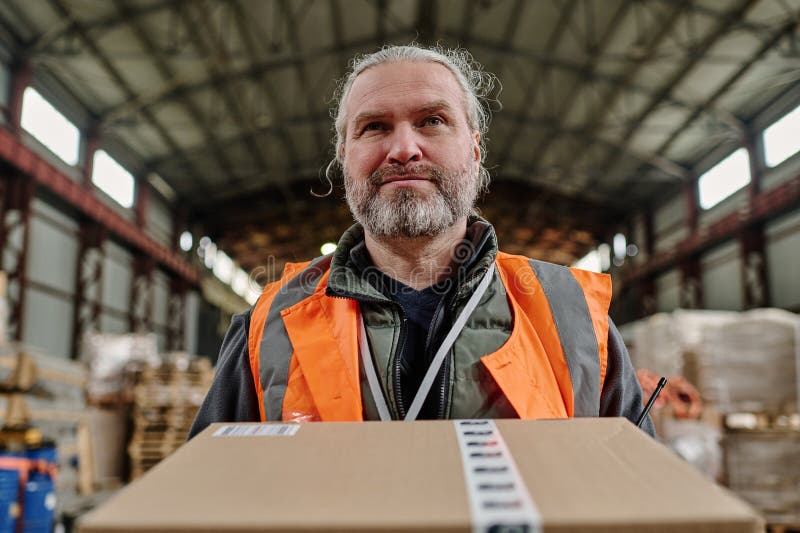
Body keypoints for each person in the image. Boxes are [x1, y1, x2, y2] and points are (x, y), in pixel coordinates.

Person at [189, 44, 654, 437]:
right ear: (344, 156)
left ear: (474, 150)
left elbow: (636, 490)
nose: (403, 149)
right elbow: (208, 493)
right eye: (374, 127)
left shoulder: (571, 317)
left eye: (432, 121)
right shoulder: (270, 325)